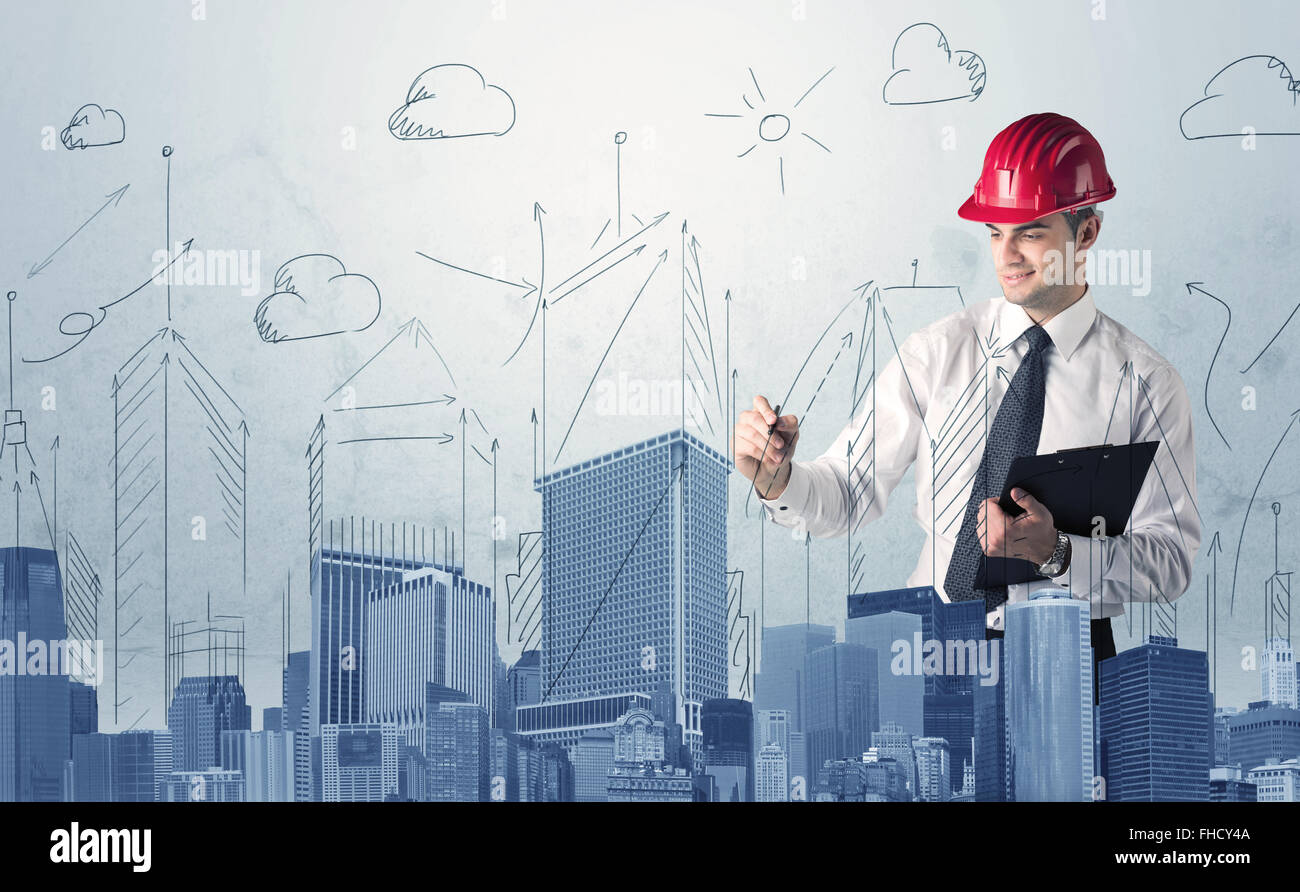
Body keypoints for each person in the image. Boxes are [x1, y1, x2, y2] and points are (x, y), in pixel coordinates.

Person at [733, 112, 1200, 694]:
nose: (1007, 255)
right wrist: (779, 481)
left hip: (1068, 658)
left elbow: (1171, 559)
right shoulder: (937, 353)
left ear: (1086, 234)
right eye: (994, 232)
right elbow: (849, 491)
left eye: (1029, 231)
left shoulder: (1146, 384)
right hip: (931, 650)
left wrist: (1058, 553)